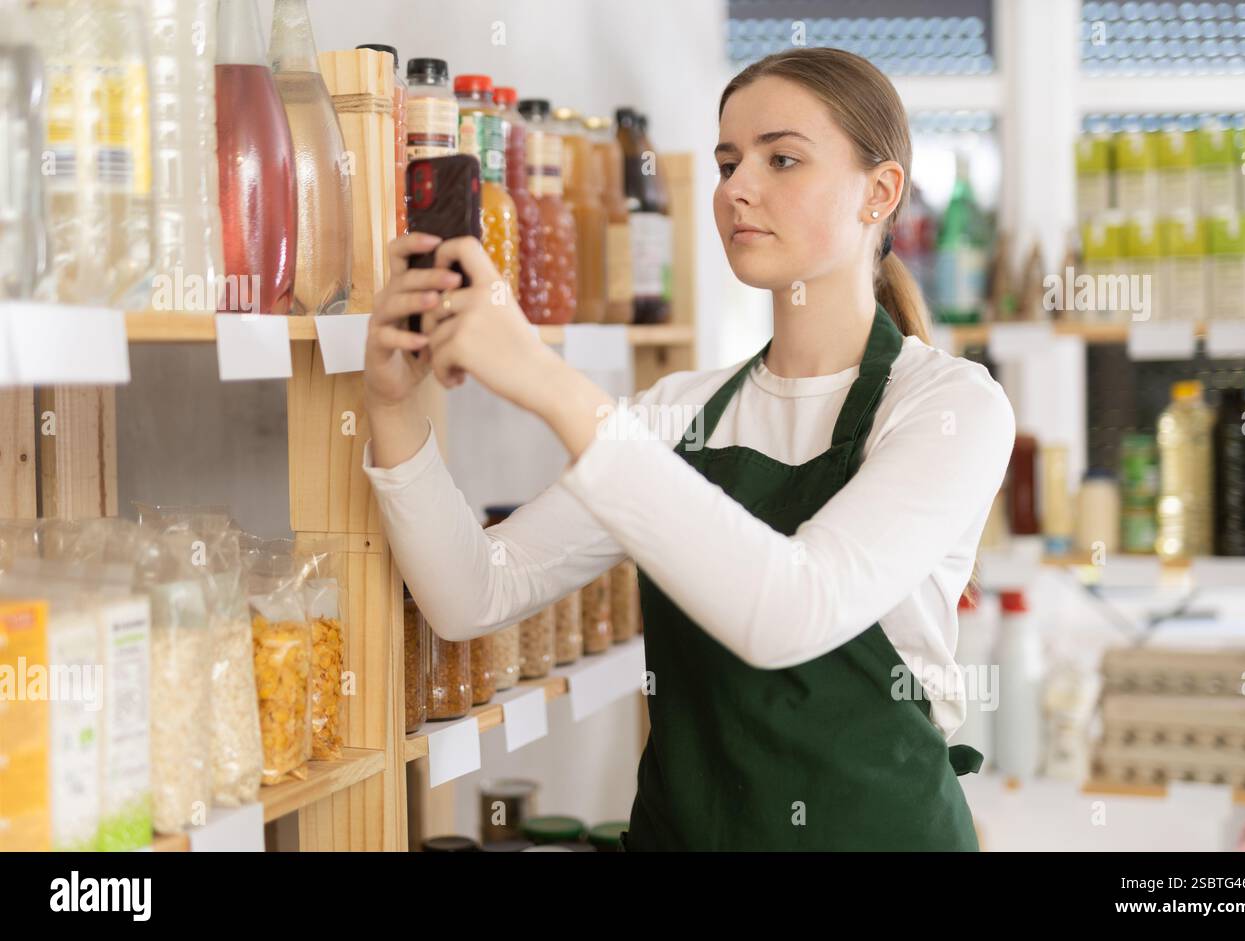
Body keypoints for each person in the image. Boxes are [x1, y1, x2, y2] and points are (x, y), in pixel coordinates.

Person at [361, 47, 1015, 851]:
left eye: (782, 158)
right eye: (728, 161)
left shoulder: (950, 407)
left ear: (879, 194)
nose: (738, 187)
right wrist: (392, 407)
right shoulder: (680, 412)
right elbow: (472, 595)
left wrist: (540, 375)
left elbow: (790, 608)